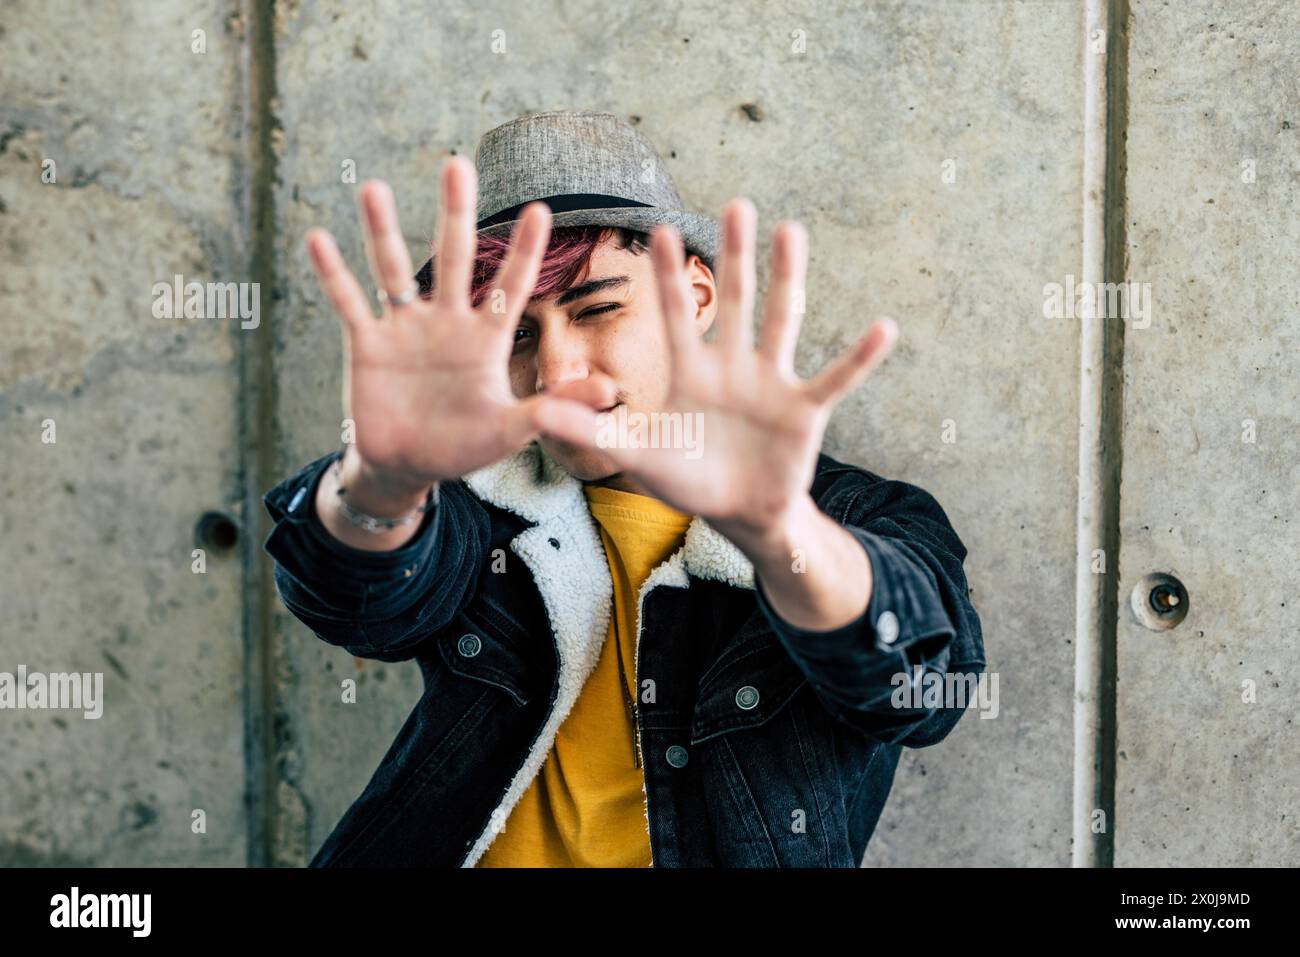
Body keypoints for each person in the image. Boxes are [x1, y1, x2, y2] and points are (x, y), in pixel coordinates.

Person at [261, 110, 985, 867]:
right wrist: (383, 484)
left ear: (695, 296)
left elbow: (925, 689)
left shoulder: (857, 518)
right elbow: (362, 600)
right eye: (517, 335)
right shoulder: (484, 506)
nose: (556, 373)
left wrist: (780, 536)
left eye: (598, 308)